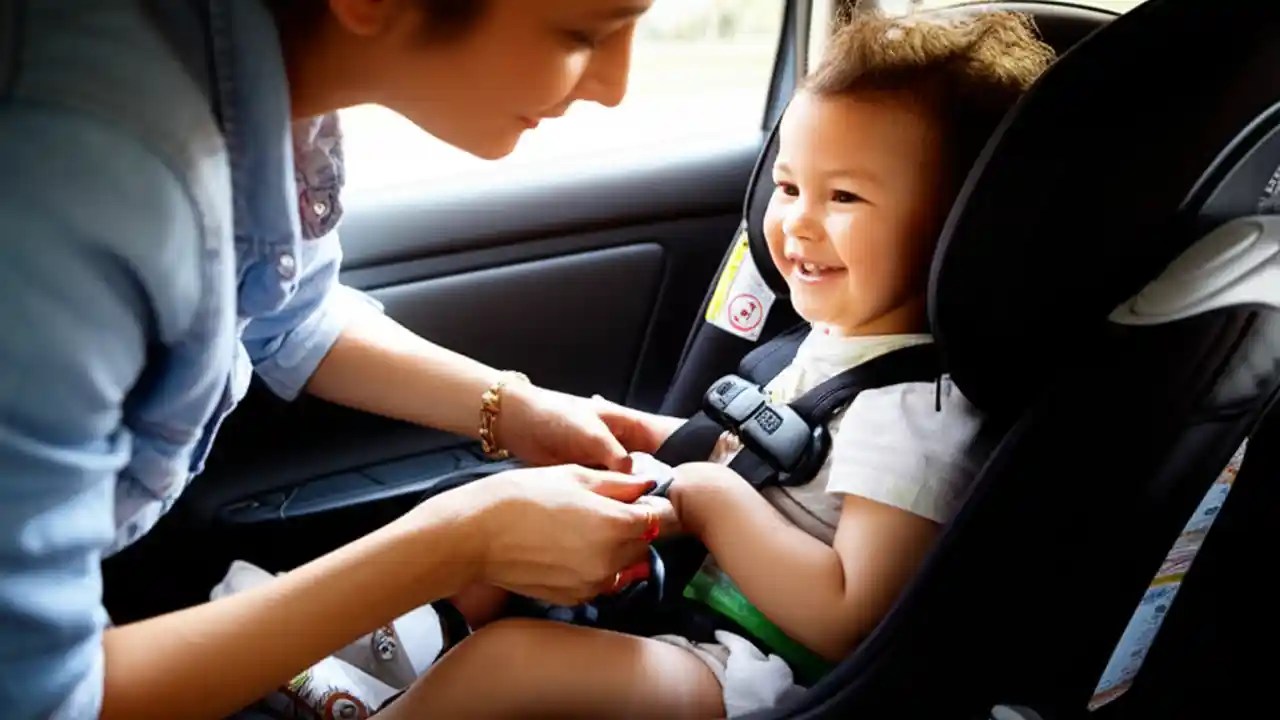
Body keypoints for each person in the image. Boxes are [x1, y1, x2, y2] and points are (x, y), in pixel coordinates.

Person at [0, 1, 670, 719]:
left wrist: (513, 406)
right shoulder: (82, 181)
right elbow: (48, 698)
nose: (616, 85)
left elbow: (290, 313)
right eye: (582, 34)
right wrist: (460, 544)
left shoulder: (266, 95)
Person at [383, 10, 1057, 718]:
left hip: (755, 668)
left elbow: (847, 614)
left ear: (958, 229)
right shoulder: (829, 340)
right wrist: (642, 434)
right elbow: (776, 454)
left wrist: (709, 500)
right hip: (696, 603)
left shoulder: (915, 413)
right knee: (507, 519)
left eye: (844, 197)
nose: (796, 221)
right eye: (790, 187)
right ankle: (403, 657)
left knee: (508, 662)